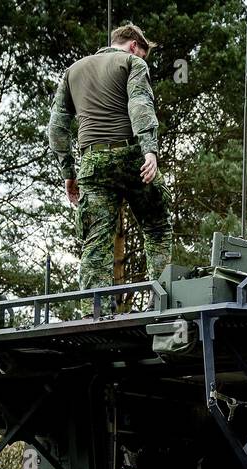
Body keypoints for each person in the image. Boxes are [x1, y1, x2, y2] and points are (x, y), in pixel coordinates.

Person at [48, 22, 171, 289]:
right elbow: (140, 104)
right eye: (142, 53)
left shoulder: (72, 71)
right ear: (134, 45)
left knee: (96, 241)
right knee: (157, 225)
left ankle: (94, 311)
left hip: (92, 164)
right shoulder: (133, 63)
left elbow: (57, 127)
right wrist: (149, 150)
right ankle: (162, 297)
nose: (142, 59)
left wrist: (68, 173)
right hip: (132, 157)